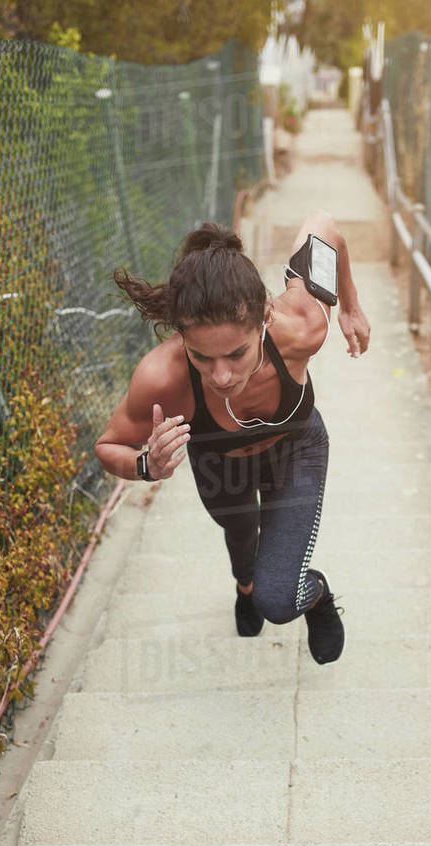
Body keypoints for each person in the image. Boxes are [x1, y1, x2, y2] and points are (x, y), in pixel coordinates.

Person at [95, 211, 370, 664]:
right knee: (241, 539)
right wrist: (147, 466)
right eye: (201, 357)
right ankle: (243, 586)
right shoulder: (161, 376)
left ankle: (315, 595)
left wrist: (352, 307)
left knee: (277, 599)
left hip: (295, 452)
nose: (221, 375)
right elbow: (109, 447)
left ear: (264, 317)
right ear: (181, 335)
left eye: (237, 353)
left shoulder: (303, 325)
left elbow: (326, 227)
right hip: (219, 466)